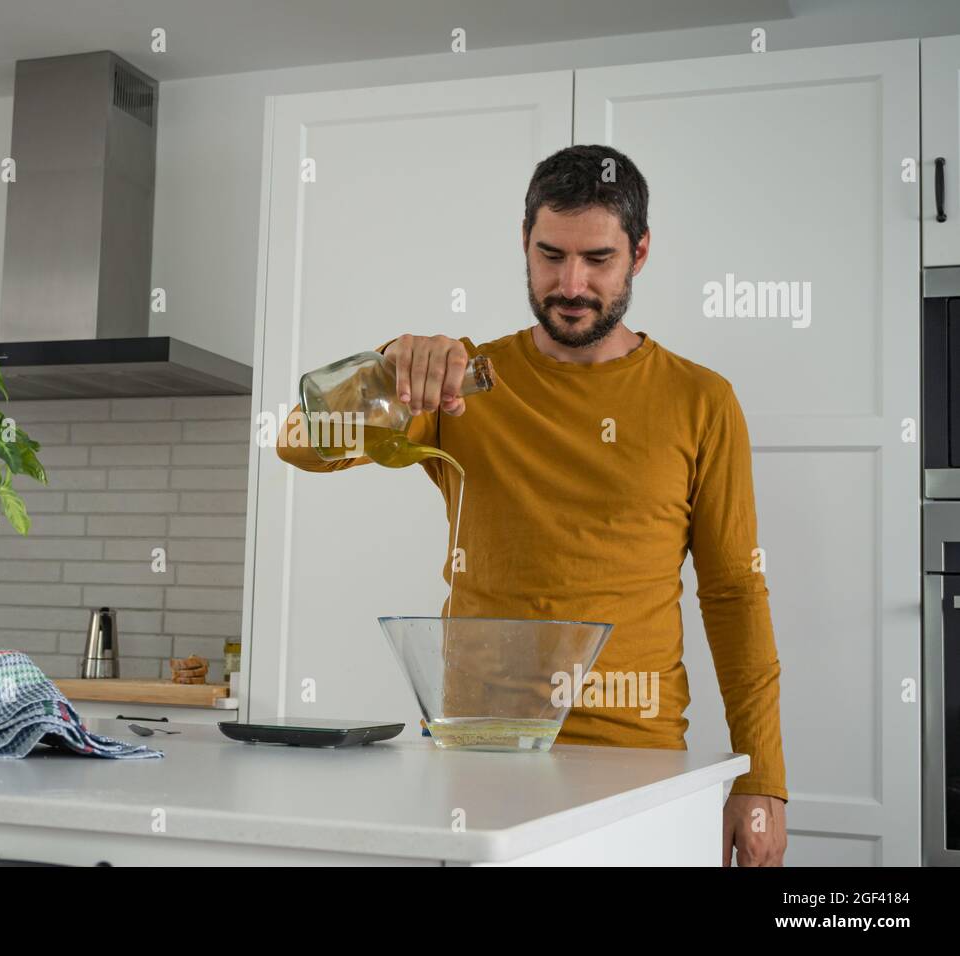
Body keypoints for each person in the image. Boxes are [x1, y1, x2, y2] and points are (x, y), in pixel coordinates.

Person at [276, 145, 787, 867]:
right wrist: (384, 367)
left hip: (636, 761)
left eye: (597, 259)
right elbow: (298, 444)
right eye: (550, 255)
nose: (570, 284)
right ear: (523, 241)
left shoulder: (701, 400)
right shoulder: (463, 380)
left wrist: (761, 779)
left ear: (639, 253)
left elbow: (735, 594)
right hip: (475, 757)